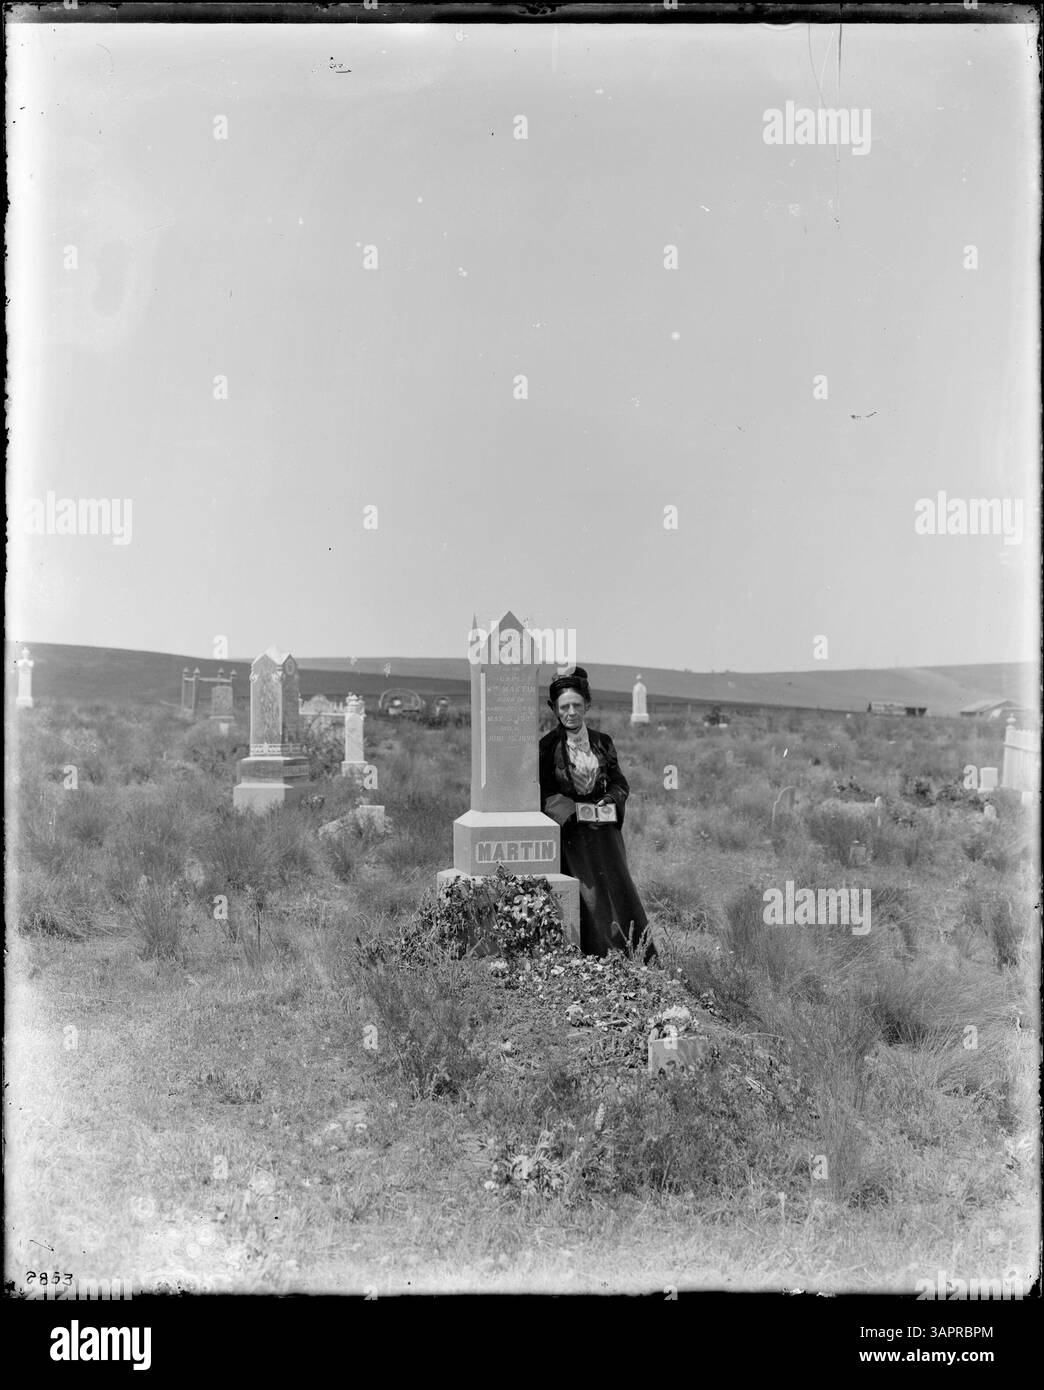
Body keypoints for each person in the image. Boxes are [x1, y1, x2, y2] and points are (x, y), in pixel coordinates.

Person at [538, 667, 654, 959]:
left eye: (577, 705)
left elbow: (619, 782)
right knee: (588, 897)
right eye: (564, 707)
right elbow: (546, 793)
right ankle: (594, 957)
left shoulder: (603, 742)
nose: (571, 712)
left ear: (587, 705)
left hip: (605, 836)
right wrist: (573, 812)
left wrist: (609, 801)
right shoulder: (547, 748)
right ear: (554, 709)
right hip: (573, 840)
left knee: (617, 891)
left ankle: (631, 955)